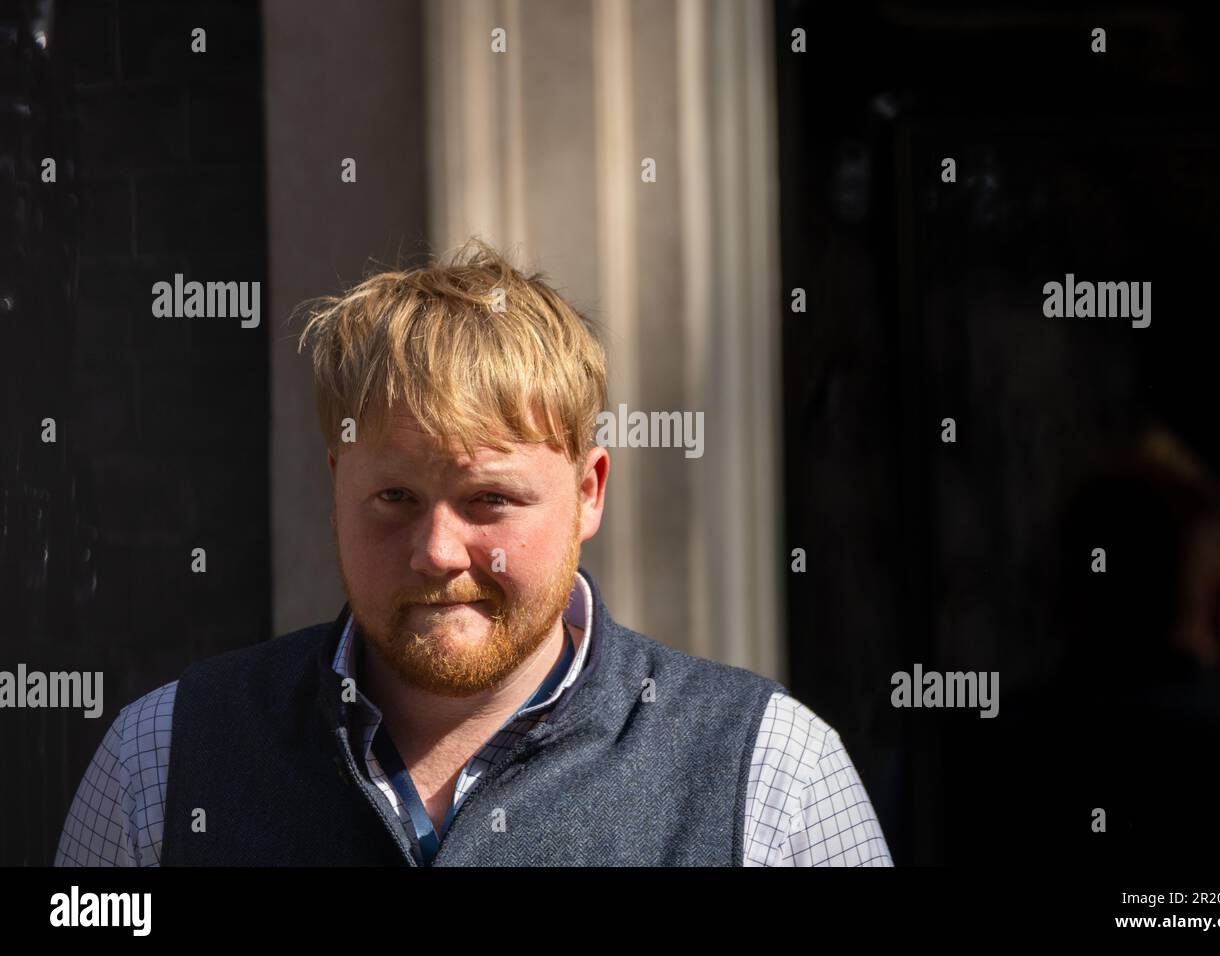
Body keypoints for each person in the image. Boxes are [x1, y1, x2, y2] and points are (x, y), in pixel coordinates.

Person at [53, 237, 893, 867]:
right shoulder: (162, 762)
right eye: (394, 499)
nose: (437, 551)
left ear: (590, 490)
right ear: (336, 484)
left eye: (490, 499)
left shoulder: (770, 776)